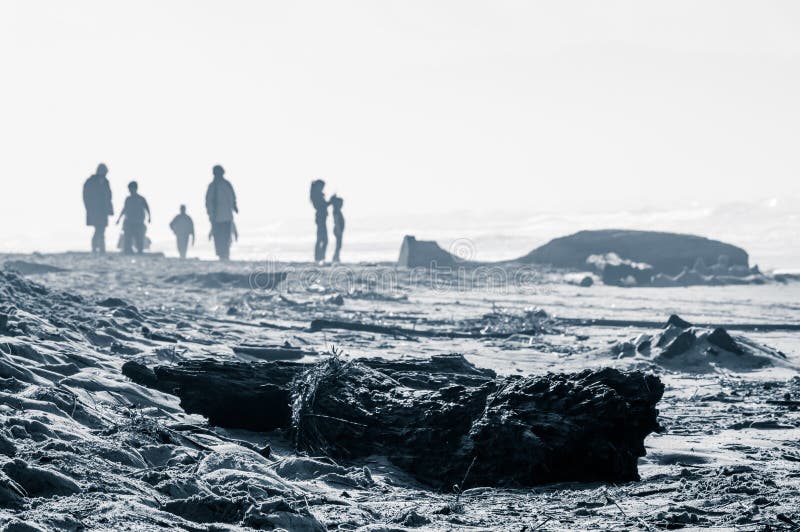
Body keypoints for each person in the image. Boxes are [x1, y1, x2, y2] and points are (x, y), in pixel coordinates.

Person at [205, 165, 238, 261]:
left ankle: (225, 255)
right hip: (217, 217)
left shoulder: (225, 184)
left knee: (225, 237)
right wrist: (210, 214)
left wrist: (234, 206)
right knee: (220, 238)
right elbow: (208, 202)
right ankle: (222, 256)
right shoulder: (213, 186)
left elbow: (232, 197)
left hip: (225, 217)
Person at [82, 163, 114, 253]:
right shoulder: (90, 181)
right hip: (95, 209)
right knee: (99, 229)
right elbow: (86, 196)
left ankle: (100, 248)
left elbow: (109, 196)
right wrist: (89, 207)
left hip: (103, 210)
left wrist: (109, 208)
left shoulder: (105, 182)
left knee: (101, 229)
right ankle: (97, 248)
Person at [116, 181, 151, 255]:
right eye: (129, 189)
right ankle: (128, 251)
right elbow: (124, 209)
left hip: (139, 222)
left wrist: (149, 217)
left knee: (139, 238)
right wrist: (119, 219)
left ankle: (139, 251)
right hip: (129, 221)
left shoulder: (141, 199)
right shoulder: (128, 199)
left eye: (131, 189)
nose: (130, 191)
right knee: (128, 238)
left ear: (135, 189)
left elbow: (147, 208)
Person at [310, 179, 328, 264]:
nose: (323, 188)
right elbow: (322, 206)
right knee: (322, 239)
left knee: (322, 239)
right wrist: (330, 201)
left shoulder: (316, 195)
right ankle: (319, 258)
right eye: (322, 186)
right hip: (321, 218)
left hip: (321, 217)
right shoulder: (317, 196)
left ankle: (319, 257)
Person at [330, 194, 345, 263]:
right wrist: (339, 229)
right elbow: (336, 221)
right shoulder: (336, 211)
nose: (342, 205)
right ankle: (335, 257)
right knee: (338, 244)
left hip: (339, 229)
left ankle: (336, 257)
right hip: (337, 229)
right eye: (341, 203)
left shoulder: (337, 211)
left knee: (339, 244)